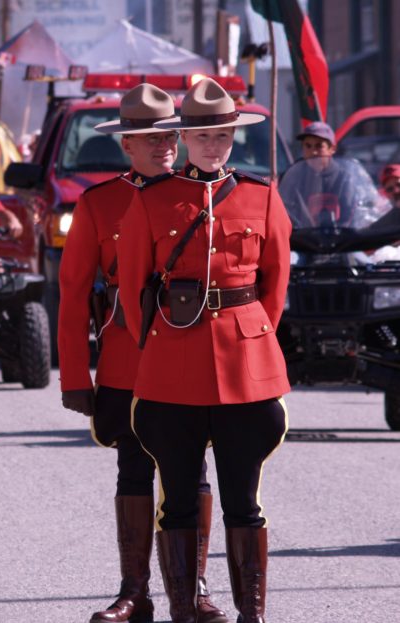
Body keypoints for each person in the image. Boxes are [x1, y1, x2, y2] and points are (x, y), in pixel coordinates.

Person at [117, 78, 291, 623]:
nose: (214, 144)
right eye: (204, 134)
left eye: (223, 135)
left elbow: (276, 286)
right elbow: (130, 288)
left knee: (245, 499)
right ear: (184, 136)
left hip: (246, 364)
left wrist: (250, 333)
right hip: (175, 365)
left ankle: (251, 613)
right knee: (179, 500)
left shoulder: (262, 196)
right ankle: (185, 611)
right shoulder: (152, 199)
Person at [58, 83, 227, 623]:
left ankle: (193, 587)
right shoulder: (99, 202)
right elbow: (74, 294)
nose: (163, 147)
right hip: (127, 358)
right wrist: (73, 378)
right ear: (125, 144)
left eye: (168, 136)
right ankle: (134, 591)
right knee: (133, 470)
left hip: (189, 357)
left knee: (194, 472)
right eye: (148, 139)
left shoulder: (200, 195)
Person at [278, 121, 359, 227]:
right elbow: (286, 211)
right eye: (308, 146)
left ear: (332, 149)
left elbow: (350, 214)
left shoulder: (344, 177)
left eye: (319, 146)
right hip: (302, 239)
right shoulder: (293, 176)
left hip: (338, 238)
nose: (313, 152)